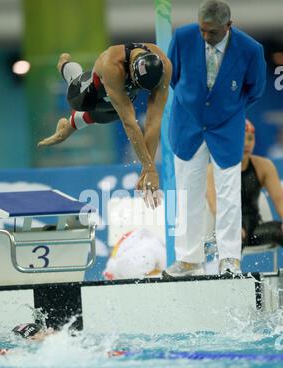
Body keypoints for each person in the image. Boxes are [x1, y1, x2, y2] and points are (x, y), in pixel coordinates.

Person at [164, 0, 266, 277]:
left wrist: (227, 108)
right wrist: (195, 103)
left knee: (229, 195)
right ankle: (188, 258)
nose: (205, 36)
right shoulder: (183, 37)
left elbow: (255, 90)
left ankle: (230, 258)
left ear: (228, 26)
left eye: (212, 32)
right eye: (202, 30)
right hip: (188, 125)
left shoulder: (250, 49)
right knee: (187, 192)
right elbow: (174, 77)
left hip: (226, 128)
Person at [38, 44, 172, 209]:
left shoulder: (165, 67)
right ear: (131, 68)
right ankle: (67, 66)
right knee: (76, 99)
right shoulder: (112, 64)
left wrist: (147, 170)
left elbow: (154, 120)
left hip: (117, 98)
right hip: (93, 90)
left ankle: (69, 127)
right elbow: (130, 124)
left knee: (110, 114)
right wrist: (150, 169)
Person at [207, 119, 283, 251]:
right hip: (226, 229)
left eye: (250, 139)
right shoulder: (213, 169)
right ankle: (230, 268)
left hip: (255, 230)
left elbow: (280, 200)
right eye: (241, 138)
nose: (246, 144)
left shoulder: (264, 166)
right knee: (233, 238)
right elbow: (215, 207)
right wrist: (233, 228)